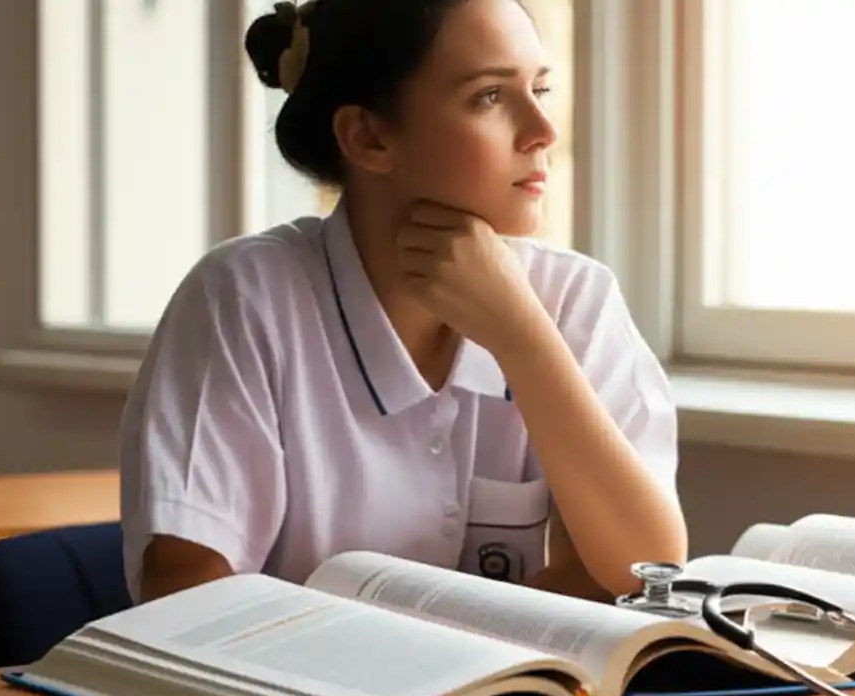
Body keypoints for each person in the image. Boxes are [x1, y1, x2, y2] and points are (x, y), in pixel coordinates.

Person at [119, 0, 687, 606]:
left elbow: (644, 569)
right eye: (490, 96)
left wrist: (522, 336)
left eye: (540, 89)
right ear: (368, 136)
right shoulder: (244, 296)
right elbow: (181, 595)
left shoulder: (576, 299)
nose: (543, 129)